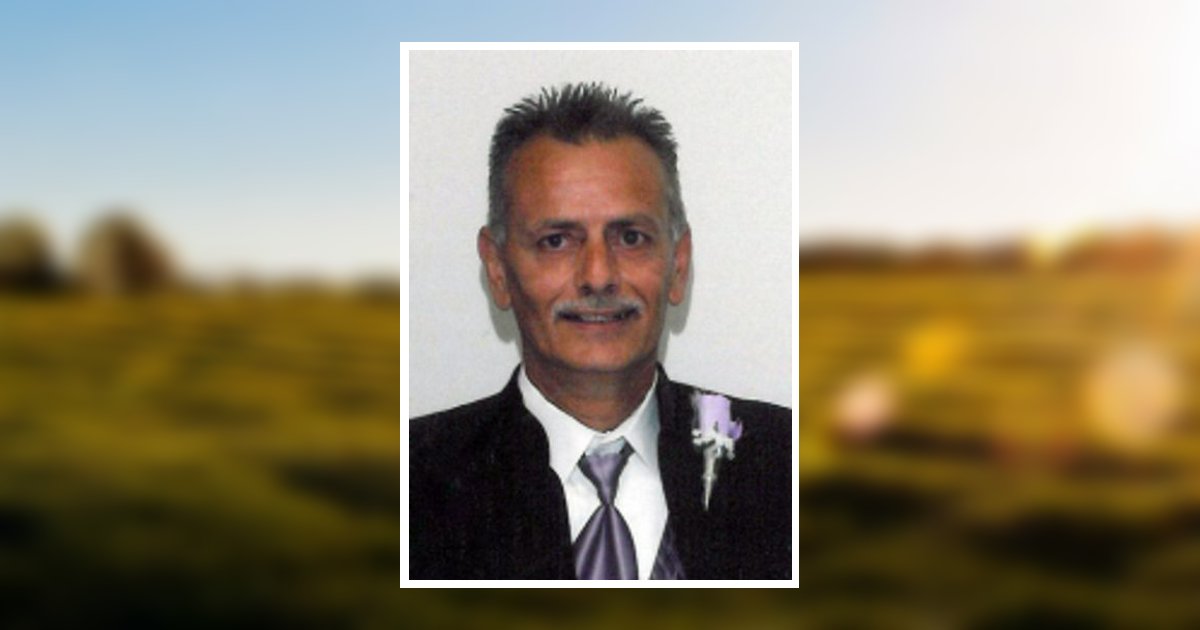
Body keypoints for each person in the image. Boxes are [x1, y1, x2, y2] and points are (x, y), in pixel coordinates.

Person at [408, 82, 791, 580]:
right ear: (497, 269)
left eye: (630, 237)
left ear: (678, 264)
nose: (598, 275)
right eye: (556, 241)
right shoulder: (412, 482)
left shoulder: (785, 464)